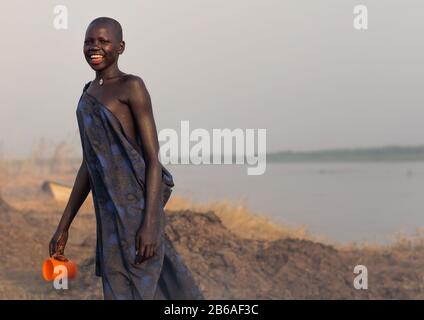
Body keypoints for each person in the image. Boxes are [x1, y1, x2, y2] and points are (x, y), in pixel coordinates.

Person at [49, 17, 203, 300]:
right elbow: (89, 165)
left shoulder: (131, 86)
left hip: (138, 213)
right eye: (89, 41)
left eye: (103, 41)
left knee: (151, 286)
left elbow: (153, 159)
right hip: (108, 219)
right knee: (119, 291)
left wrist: (150, 225)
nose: (95, 47)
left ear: (120, 47)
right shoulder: (87, 95)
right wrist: (63, 225)